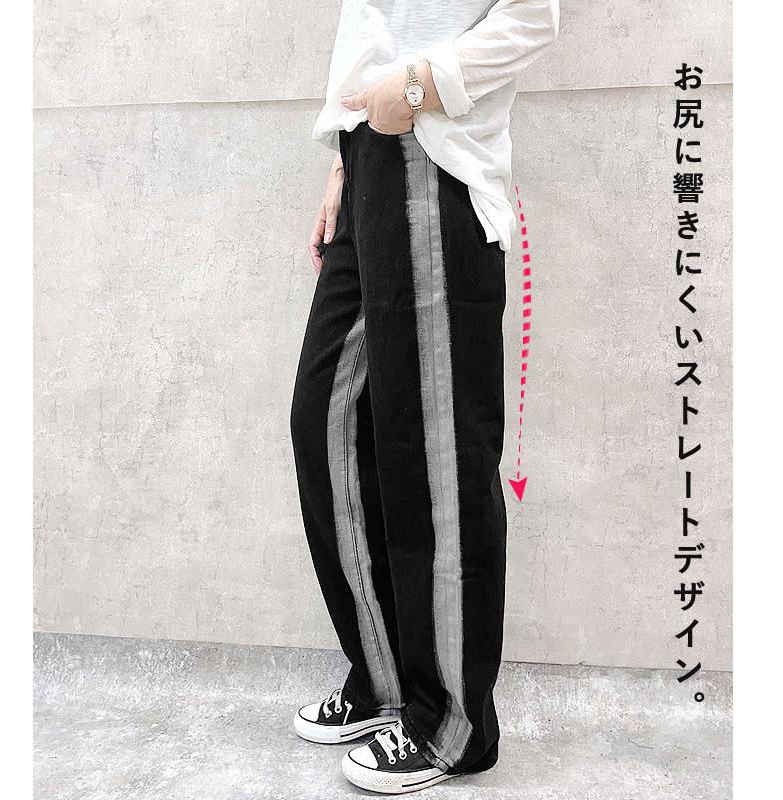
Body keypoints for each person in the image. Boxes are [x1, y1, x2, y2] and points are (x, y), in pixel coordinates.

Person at [289, 1, 560, 793]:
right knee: (326, 421)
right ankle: (386, 679)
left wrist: (416, 86)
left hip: (433, 154)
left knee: (437, 460)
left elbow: (534, 16)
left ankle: (451, 723)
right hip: (369, 152)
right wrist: (343, 163)